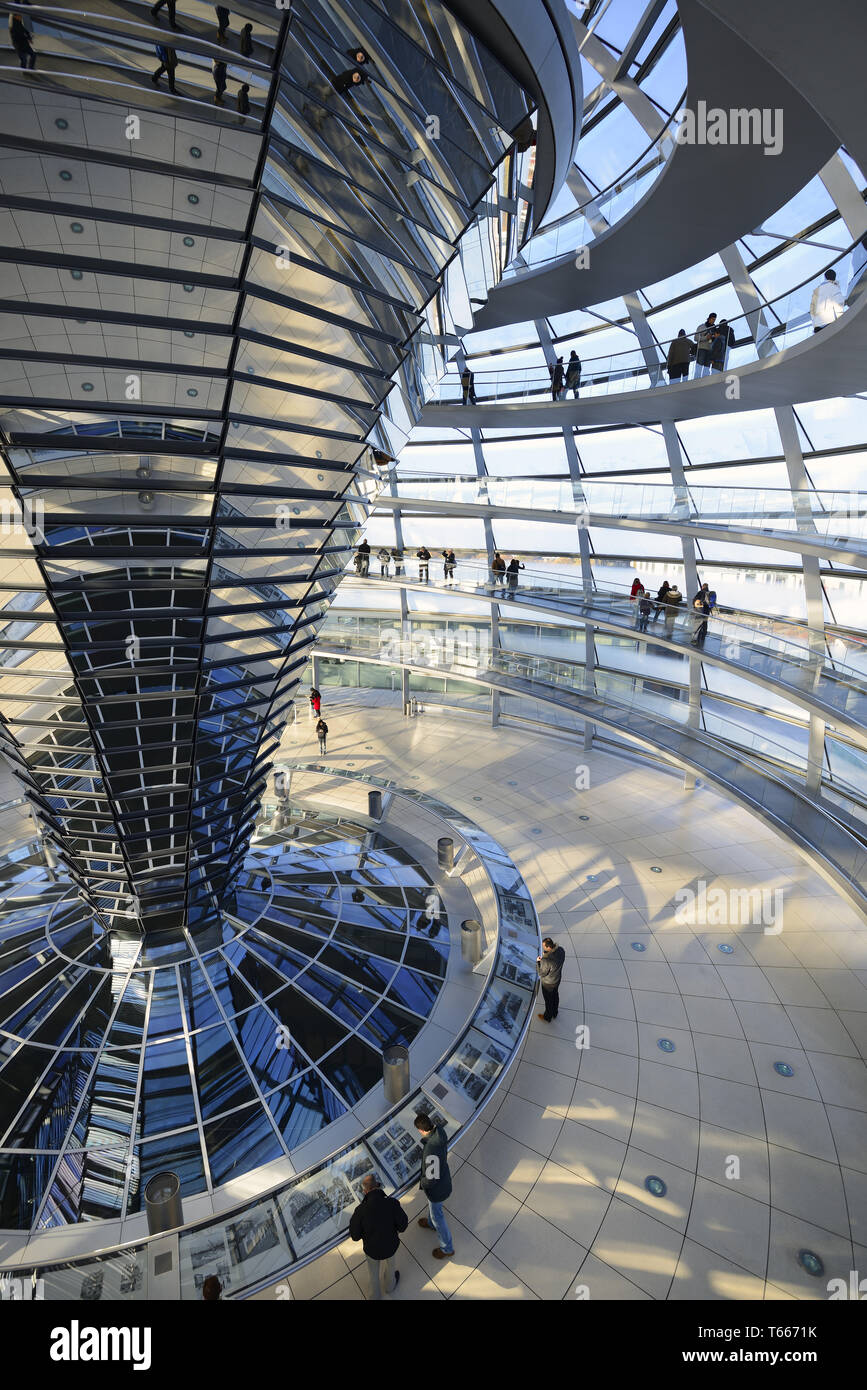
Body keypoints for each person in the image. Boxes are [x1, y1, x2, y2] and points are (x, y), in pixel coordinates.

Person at [349, 1174, 407, 1300]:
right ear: (377, 1185)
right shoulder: (392, 1203)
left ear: (365, 1192)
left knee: (373, 1273)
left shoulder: (360, 1210)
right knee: (391, 1267)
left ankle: (375, 1295)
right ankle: (390, 1286)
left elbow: (355, 1236)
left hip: (372, 1250)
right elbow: (403, 1226)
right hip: (391, 1246)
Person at [414, 1114, 454, 1259]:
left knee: (438, 1216)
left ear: (421, 1130)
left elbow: (431, 1180)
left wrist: (421, 1181)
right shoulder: (440, 1132)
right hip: (444, 1181)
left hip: (437, 1190)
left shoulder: (431, 1149)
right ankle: (431, 1223)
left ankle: (447, 1248)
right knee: (434, 1209)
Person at [536, 936, 565, 1022]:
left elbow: (541, 973)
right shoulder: (560, 950)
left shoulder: (546, 960)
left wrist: (538, 962)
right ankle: (555, 1012)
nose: (543, 948)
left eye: (544, 946)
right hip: (557, 979)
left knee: (548, 1000)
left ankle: (547, 1017)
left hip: (548, 983)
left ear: (548, 947)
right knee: (555, 995)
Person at [810, 268, 845, 332]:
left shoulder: (817, 291)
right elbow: (838, 304)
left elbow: (812, 309)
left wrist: (815, 325)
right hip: (830, 323)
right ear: (834, 277)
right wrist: (840, 320)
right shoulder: (833, 287)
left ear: (825, 277)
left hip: (819, 326)